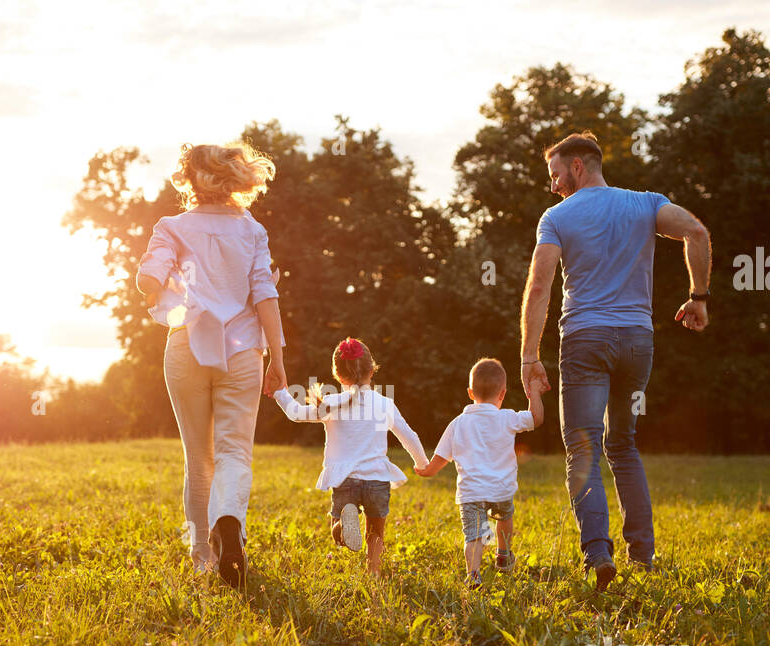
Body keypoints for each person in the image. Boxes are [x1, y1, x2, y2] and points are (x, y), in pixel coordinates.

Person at [519, 130, 712, 590]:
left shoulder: (556, 217)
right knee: (623, 445)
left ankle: (599, 555)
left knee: (583, 446)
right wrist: (699, 298)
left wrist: (529, 357)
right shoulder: (646, 204)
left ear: (578, 166)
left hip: (585, 340)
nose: (553, 185)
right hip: (638, 342)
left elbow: (540, 287)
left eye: (556, 174)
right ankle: (643, 557)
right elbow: (697, 232)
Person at [136, 142, 288, 588]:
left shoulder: (171, 226)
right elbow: (265, 296)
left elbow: (148, 277)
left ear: (188, 179)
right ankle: (229, 521)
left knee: (197, 459)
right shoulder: (252, 231)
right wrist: (277, 358)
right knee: (234, 451)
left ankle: (203, 554)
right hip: (242, 352)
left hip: (187, 348)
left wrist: (151, 283)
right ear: (234, 179)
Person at [271, 337, 429, 577]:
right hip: (377, 479)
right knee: (375, 531)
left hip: (345, 479)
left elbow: (296, 414)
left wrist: (280, 392)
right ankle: (373, 571)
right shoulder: (384, 403)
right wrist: (422, 463)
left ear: (337, 374)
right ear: (371, 369)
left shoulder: (331, 403)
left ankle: (342, 526)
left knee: (338, 532)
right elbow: (408, 435)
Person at [415, 358, 546, 587]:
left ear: (470, 392)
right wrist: (534, 392)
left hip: (472, 492)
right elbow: (536, 418)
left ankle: (473, 574)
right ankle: (503, 555)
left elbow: (441, 457)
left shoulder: (458, 423)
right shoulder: (507, 418)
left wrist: (427, 471)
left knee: (474, 535)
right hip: (501, 489)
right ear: (503, 393)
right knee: (504, 518)